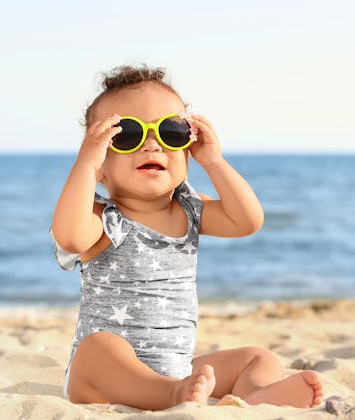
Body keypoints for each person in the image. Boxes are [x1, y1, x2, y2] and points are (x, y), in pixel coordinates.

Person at [51, 65, 323, 410]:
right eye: (127, 135)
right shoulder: (102, 217)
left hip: (176, 369)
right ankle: (172, 395)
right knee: (100, 346)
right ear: (101, 161)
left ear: (187, 149)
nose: (152, 145)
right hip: (101, 379)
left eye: (171, 132)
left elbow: (247, 221)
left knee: (258, 357)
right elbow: (71, 237)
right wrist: (85, 167)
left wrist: (215, 162)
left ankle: (255, 395)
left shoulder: (189, 209)